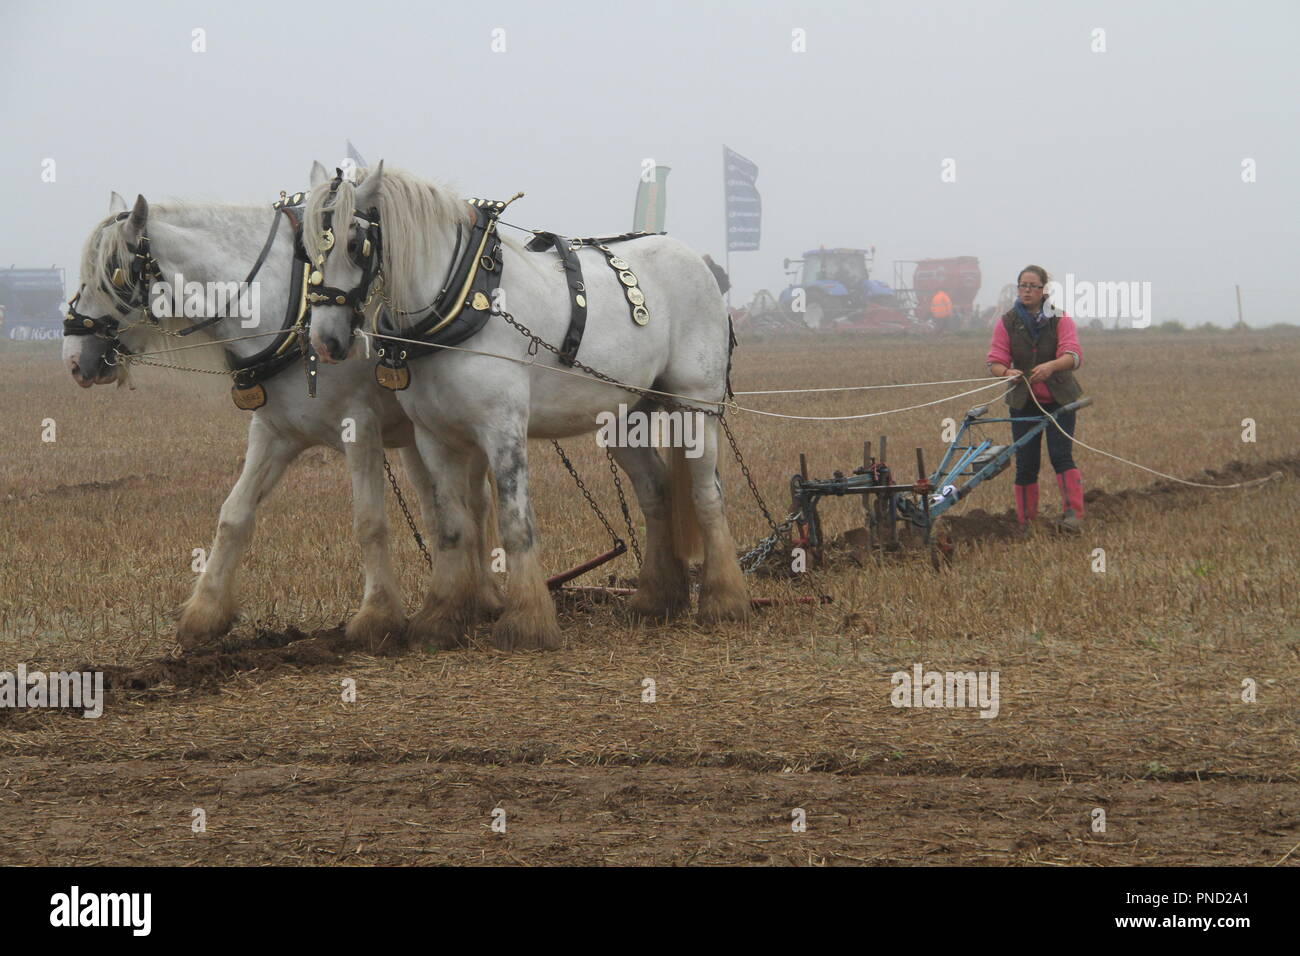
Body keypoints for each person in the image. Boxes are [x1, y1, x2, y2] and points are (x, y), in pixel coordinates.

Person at [985, 265, 1085, 534]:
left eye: (1033, 286)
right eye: (1023, 286)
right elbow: (995, 361)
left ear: (1044, 290)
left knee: (1061, 456)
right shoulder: (1006, 322)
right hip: (1023, 403)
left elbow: (1073, 356)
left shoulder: (1061, 319)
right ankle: (1026, 521)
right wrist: (1007, 371)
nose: (1027, 291)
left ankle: (1073, 514)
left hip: (1059, 399)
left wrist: (1053, 366)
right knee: (1026, 463)